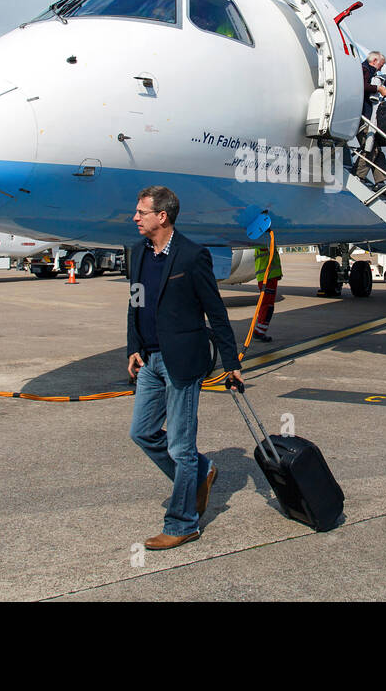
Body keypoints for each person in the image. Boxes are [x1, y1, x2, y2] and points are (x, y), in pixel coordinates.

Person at [127, 186, 243, 550]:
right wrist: (133, 347)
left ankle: (182, 523)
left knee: (179, 446)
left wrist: (232, 363)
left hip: (183, 362)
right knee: (142, 432)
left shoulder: (193, 256)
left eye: (141, 212)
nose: (135, 218)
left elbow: (216, 312)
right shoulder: (137, 254)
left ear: (162, 216)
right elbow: (135, 303)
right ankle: (202, 471)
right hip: (149, 360)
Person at [358, 51, 386, 185]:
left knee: (375, 148)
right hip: (363, 118)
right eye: (381, 65)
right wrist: (378, 88)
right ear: (373, 60)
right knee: (370, 147)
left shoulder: (370, 72)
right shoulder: (364, 69)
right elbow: (361, 85)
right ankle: (359, 175)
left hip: (368, 118)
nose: (380, 69)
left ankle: (381, 182)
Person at [252, 245, 282, 342]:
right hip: (267, 278)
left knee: (267, 305)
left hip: (269, 277)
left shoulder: (265, 241)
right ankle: (259, 331)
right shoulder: (263, 242)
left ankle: (261, 330)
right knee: (267, 305)